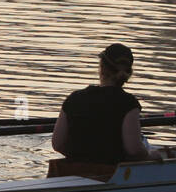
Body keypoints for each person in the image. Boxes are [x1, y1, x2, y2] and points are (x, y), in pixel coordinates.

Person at [49, 43, 165, 177]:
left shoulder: (74, 98)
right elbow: (134, 150)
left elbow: (57, 144)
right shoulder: (128, 103)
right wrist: (150, 155)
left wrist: (82, 155)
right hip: (109, 176)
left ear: (101, 68)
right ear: (128, 73)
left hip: (68, 174)